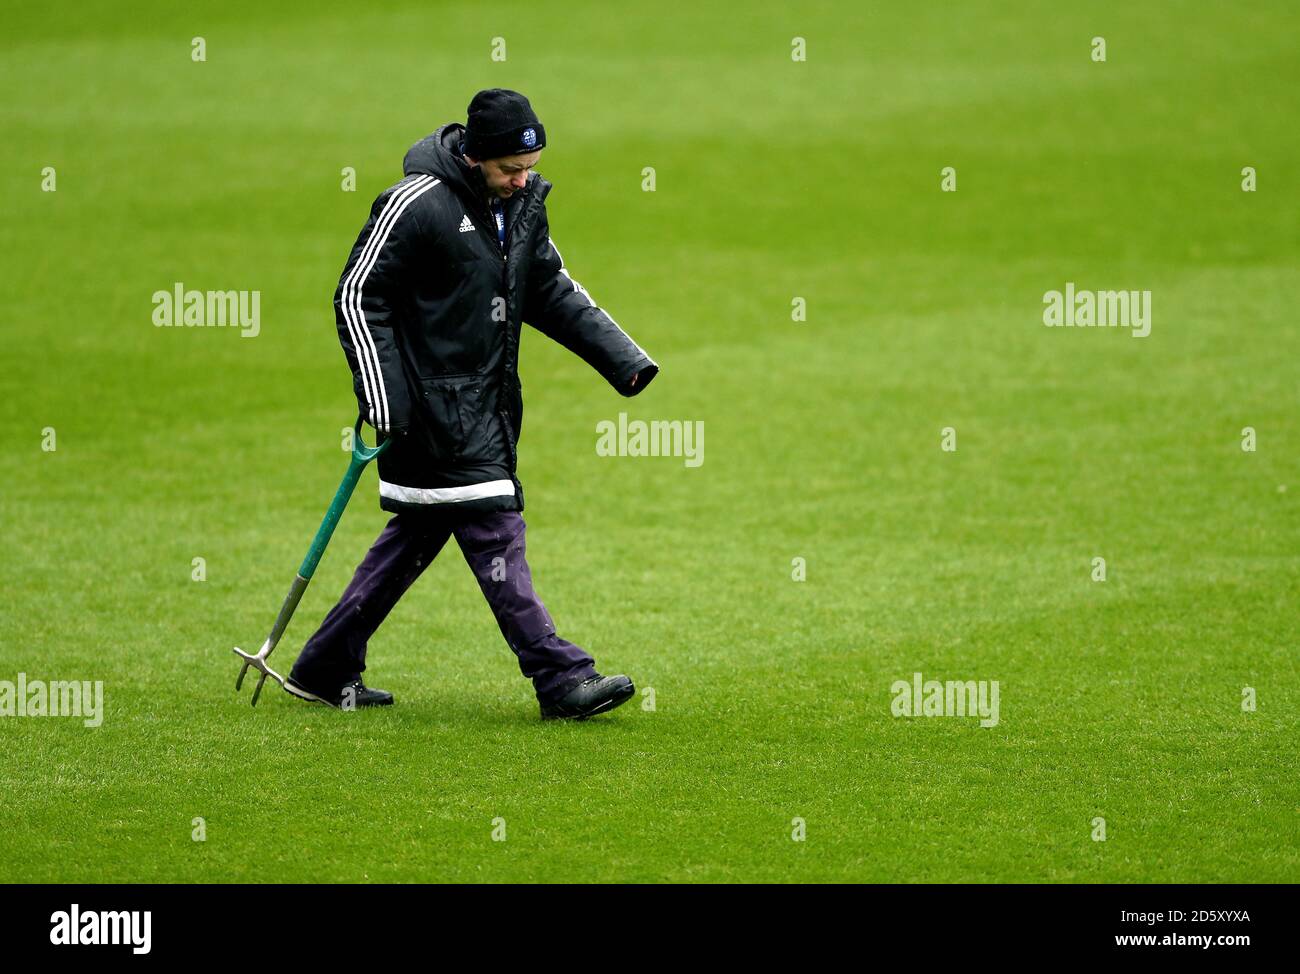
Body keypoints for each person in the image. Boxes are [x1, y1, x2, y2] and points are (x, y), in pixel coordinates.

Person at [284, 89, 659, 719]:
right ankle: (561, 678)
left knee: (417, 535)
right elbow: (356, 296)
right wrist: (385, 402)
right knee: (494, 526)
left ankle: (324, 667)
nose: (522, 179)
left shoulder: (521, 205)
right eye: (510, 168)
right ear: (476, 155)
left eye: (530, 167)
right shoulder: (415, 204)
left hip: (486, 407)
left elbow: (547, 288)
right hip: (429, 414)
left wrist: (622, 360)